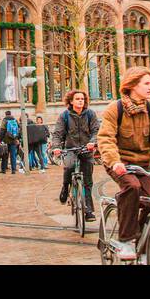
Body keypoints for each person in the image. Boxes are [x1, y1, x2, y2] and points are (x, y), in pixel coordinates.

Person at [96, 67, 150, 261]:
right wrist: (115, 162)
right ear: (132, 86)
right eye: (146, 83)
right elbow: (106, 139)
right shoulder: (115, 109)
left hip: (142, 162)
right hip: (119, 161)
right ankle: (126, 240)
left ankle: (143, 249)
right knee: (132, 186)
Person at [51, 89, 99, 221]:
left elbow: (96, 130)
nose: (80, 101)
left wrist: (92, 142)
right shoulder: (64, 116)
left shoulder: (90, 114)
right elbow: (58, 134)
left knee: (88, 181)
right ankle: (65, 187)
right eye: (77, 99)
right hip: (70, 149)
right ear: (71, 101)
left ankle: (89, 210)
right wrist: (56, 147)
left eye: (82, 99)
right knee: (69, 166)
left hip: (86, 149)